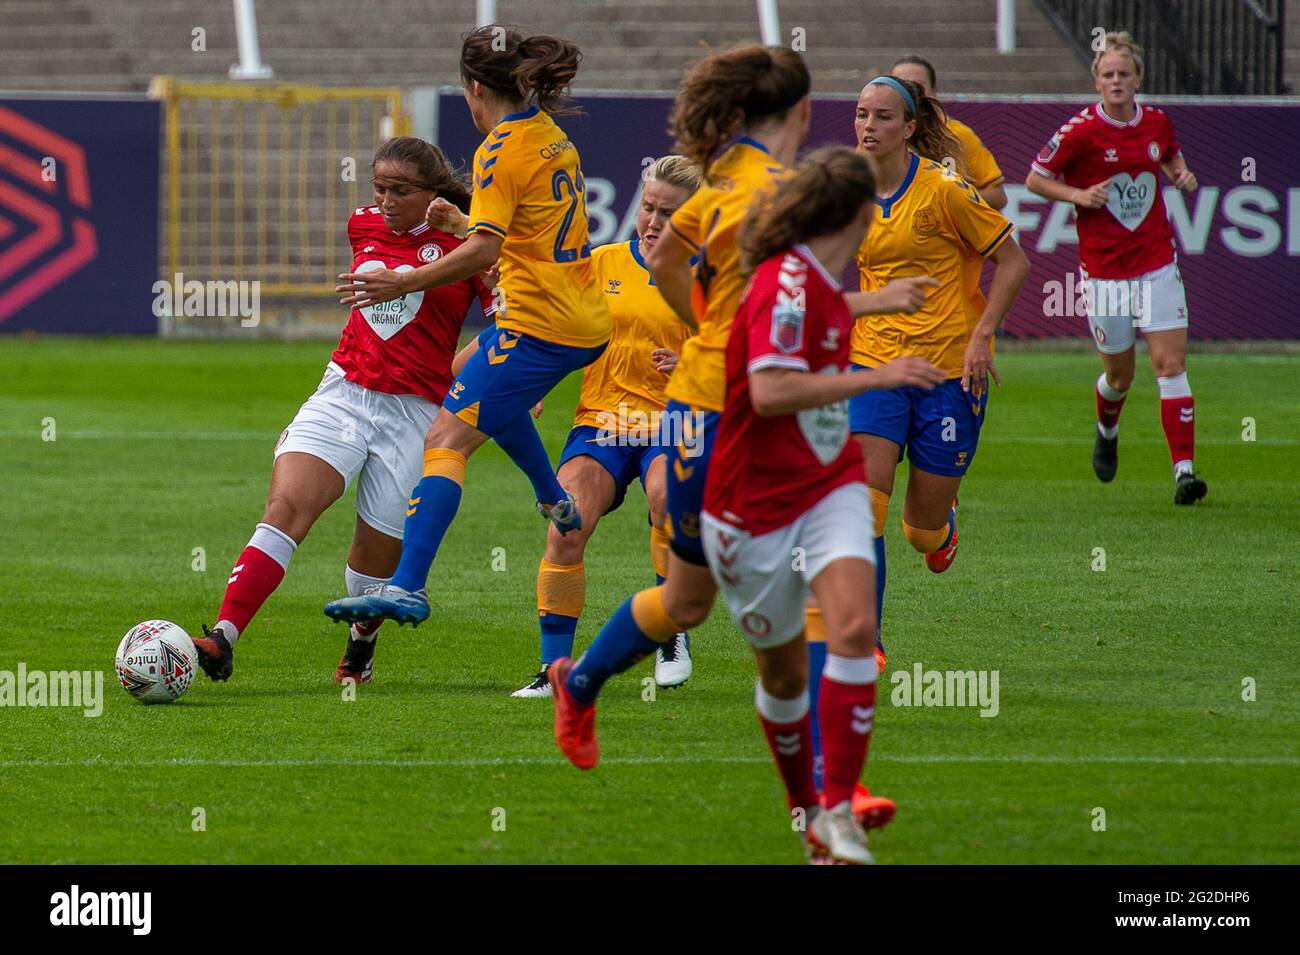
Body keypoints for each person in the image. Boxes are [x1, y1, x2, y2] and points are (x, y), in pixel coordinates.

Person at [546, 47, 931, 828]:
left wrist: (709, 334)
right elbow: (782, 304)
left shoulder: (717, 187)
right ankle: (584, 681)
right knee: (699, 599)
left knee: (797, 592)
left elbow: (667, 265)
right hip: (734, 414)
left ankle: (832, 786)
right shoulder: (782, 194)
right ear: (800, 115)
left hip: (708, 410)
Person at [322, 26, 613, 628]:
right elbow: (523, 235)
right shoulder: (550, 137)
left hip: (541, 326)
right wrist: (463, 223)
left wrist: (402, 281)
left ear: (474, 89)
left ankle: (408, 587)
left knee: (444, 442)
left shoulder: (497, 149)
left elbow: (487, 253)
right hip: (578, 315)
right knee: (472, 385)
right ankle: (554, 498)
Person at [706, 146, 945, 863]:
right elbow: (773, 390)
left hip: (829, 481)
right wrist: (879, 377)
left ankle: (837, 811)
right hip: (752, 503)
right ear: (860, 214)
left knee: (854, 626)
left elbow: (826, 310)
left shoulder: (813, 280)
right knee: (781, 678)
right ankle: (805, 806)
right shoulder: (785, 283)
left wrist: (880, 300)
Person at [191, 137, 495, 684]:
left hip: (415, 414)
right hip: (345, 394)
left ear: (432, 194)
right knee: (286, 508)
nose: (385, 200)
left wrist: (476, 373)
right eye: (379, 187)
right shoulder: (362, 224)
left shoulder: (471, 246)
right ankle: (222, 637)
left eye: (400, 190)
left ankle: (360, 645)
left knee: (369, 564)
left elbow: (507, 322)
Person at [847, 74, 1027, 693]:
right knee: (861, 504)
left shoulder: (944, 189)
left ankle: (940, 526)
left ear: (909, 128)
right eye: (861, 114)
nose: (867, 126)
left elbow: (1014, 260)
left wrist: (982, 337)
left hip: (949, 369)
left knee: (918, 529)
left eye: (882, 118)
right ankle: (864, 639)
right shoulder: (844, 192)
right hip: (873, 366)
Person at [513, 155, 703, 699]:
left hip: (678, 418)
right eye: (648, 207)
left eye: (669, 212)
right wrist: (532, 389)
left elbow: (741, 360)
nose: (653, 221)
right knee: (565, 522)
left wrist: (691, 365)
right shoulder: (602, 264)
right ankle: (555, 673)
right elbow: (555, 333)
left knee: (669, 497)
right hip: (603, 421)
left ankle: (671, 629)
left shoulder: (710, 278)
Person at [1026, 32, 1206, 504]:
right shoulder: (1080, 131)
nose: (1116, 81)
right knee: (1120, 377)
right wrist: (1078, 196)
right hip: (1104, 272)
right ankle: (1107, 429)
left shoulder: (1157, 123)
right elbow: (1035, 178)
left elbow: (1167, 155)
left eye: (1124, 74)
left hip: (1156, 262)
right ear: (1097, 81)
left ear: (1138, 79)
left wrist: (1179, 174)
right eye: (1108, 74)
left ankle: (1184, 473)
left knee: (1170, 366)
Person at [891, 54, 1007, 210]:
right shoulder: (881, 136)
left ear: (934, 91)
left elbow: (997, 196)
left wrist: (952, 199)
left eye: (917, 86)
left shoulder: (958, 135)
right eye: (901, 87)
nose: (909, 93)